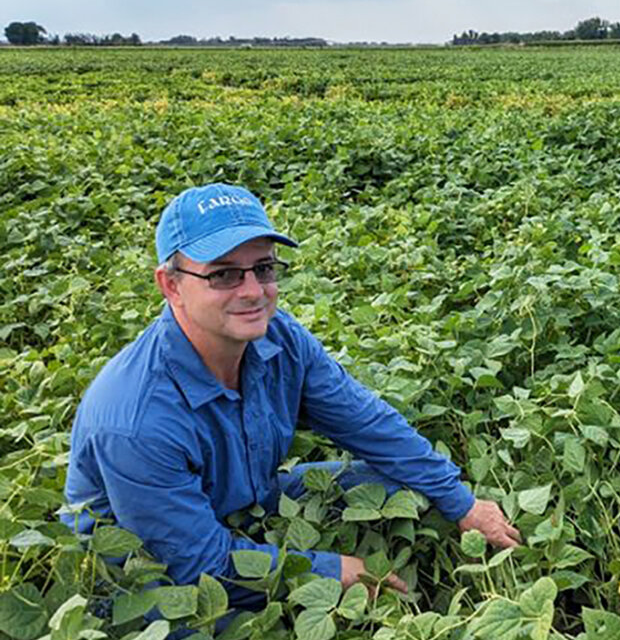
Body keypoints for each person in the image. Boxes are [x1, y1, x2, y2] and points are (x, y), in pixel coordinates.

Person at [62, 183, 520, 607]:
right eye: (224, 275)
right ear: (171, 285)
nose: (253, 291)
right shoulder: (135, 418)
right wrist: (331, 571)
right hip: (151, 574)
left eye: (263, 268)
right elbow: (197, 567)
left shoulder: (278, 338)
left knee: (404, 487)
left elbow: (366, 422)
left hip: (247, 506)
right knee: (208, 627)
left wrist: (460, 501)